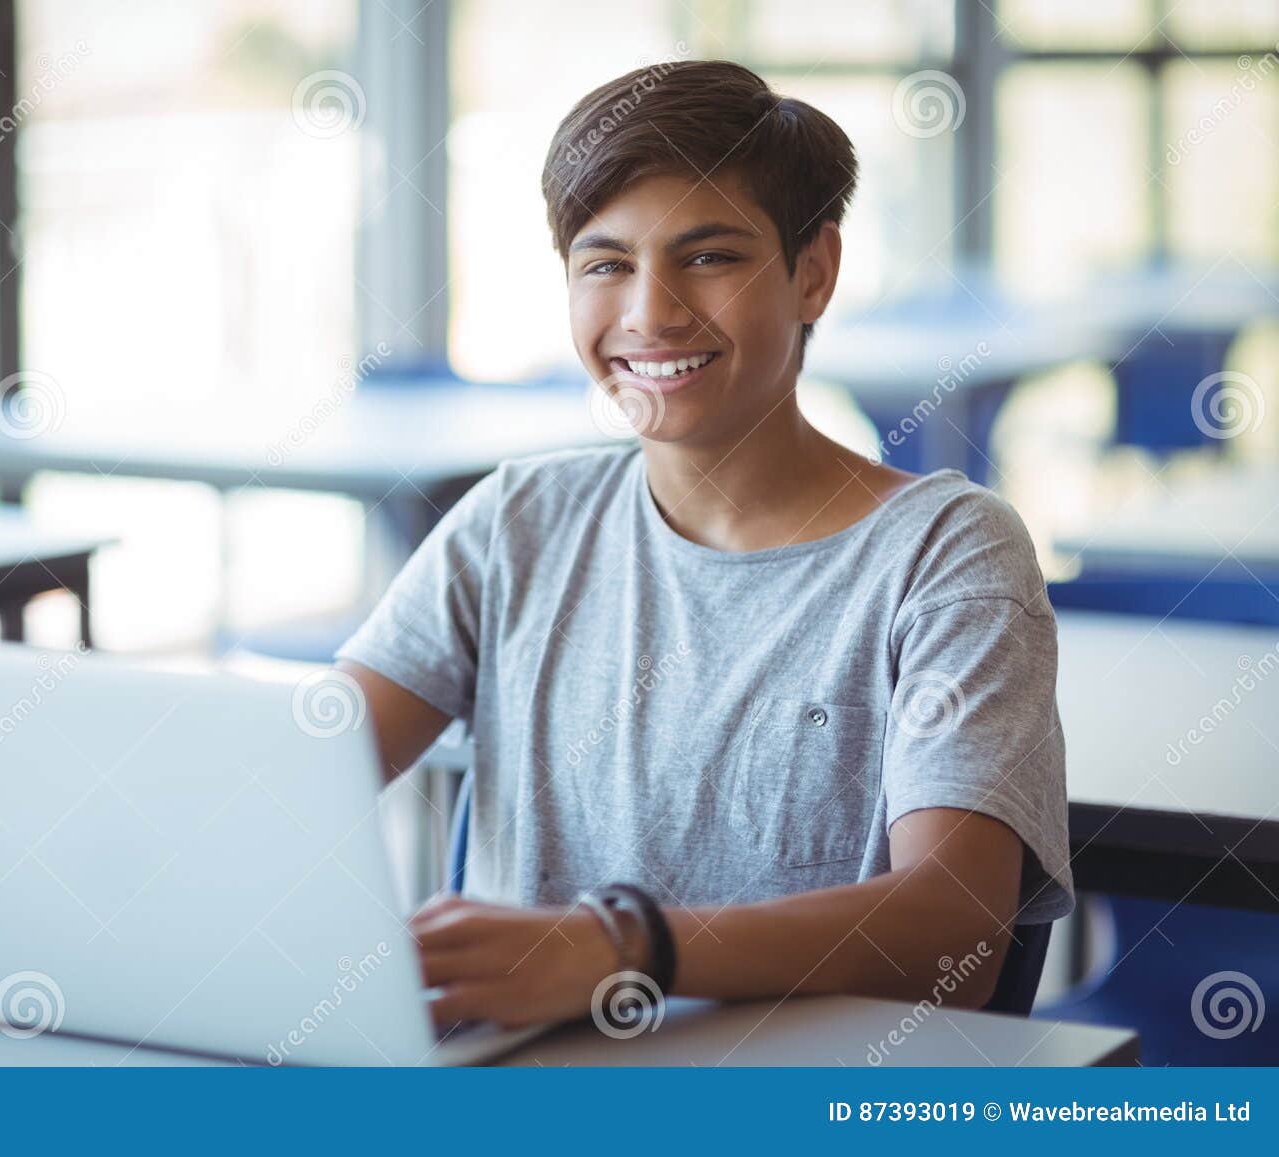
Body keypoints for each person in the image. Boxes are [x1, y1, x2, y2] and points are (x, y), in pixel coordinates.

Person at [334, 59, 1073, 1031]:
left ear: (813, 272)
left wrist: (625, 950)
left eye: (709, 256)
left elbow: (955, 930)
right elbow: (295, 771)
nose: (649, 312)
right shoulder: (513, 522)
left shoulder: (948, 552)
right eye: (605, 264)